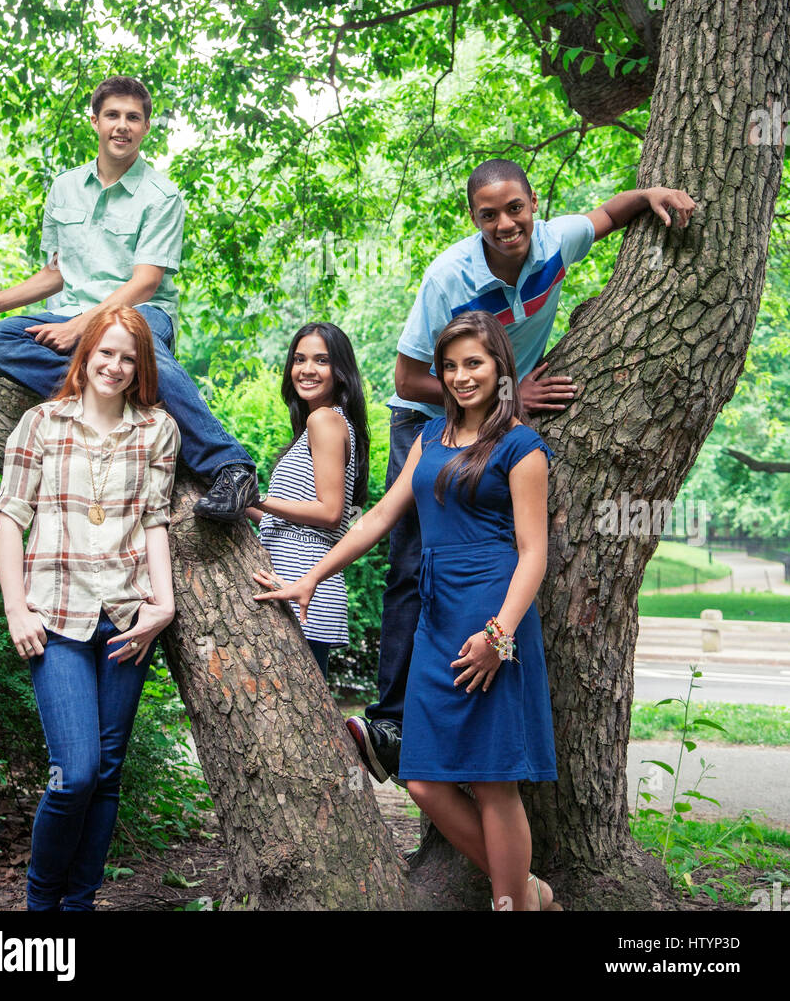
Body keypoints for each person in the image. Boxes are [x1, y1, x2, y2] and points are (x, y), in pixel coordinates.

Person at [348, 158, 697, 781]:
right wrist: (508, 392)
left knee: (490, 546)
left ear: (534, 204)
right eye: (490, 215)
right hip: (427, 417)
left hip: (497, 414)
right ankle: (393, 719)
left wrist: (651, 193)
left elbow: (611, 214)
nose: (506, 224)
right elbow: (405, 378)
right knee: (413, 559)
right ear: (474, 220)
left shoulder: (557, 240)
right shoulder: (449, 277)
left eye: (516, 209)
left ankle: (482, 671)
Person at [255, 311, 557, 912]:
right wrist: (313, 575)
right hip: (436, 618)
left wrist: (499, 635)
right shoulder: (429, 439)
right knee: (421, 778)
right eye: (449, 366)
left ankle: (508, 904)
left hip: (495, 615)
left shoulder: (523, 447)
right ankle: (526, 892)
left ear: (500, 367)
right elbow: (374, 519)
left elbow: (533, 554)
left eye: (474, 363)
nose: (461, 376)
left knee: (495, 781)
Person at [0, 76, 258, 521]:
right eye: (112, 115)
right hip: (72, 316)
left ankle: (229, 465)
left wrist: (83, 327)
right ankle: (121, 389)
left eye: (133, 117)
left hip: (140, 313)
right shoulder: (63, 188)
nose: (122, 126)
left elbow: (145, 282)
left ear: (146, 127)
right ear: (95, 121)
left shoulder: (162, 196)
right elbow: (54, 274)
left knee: (143, 346)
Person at [0, 306, 179, 911]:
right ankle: (42, 907)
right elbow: (10, 520)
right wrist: (17, 610)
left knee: (106, 776)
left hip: (127, 618)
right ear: (86, 354)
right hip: (55, 614)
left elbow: (156, 523)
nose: (116, 366)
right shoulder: (41, 424)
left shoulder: (157, 430)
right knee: (75, 772)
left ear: (141, 366)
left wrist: (165, 605)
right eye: (107, 353)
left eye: (129, 357)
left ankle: (80, 907)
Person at [247, 323, 370, 681]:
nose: (306, 369)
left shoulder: (325, 420)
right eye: (299, 359)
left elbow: (330, 514)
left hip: (305, 593)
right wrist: (245, 505)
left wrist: (261, 498)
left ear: (341, 371)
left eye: (321, 360)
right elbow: (288, 519)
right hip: (295, 586)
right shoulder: (318, 425)